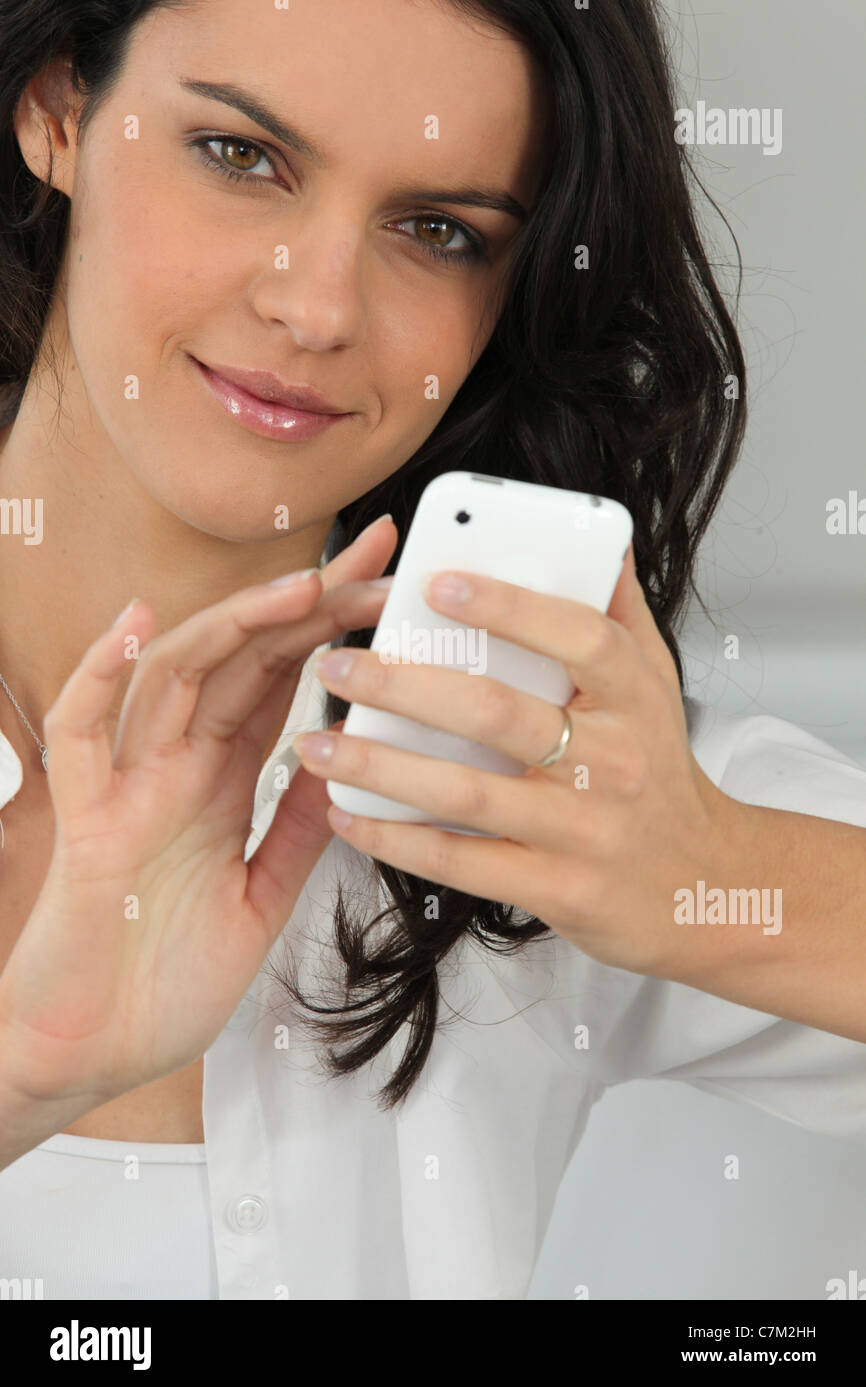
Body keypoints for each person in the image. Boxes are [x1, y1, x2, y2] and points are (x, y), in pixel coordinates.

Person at [0, 0, 863, 1300]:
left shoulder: (543, 784)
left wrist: (708, 868)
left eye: (438, 231)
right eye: (241, 156)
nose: (316, 307)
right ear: (57, 110)